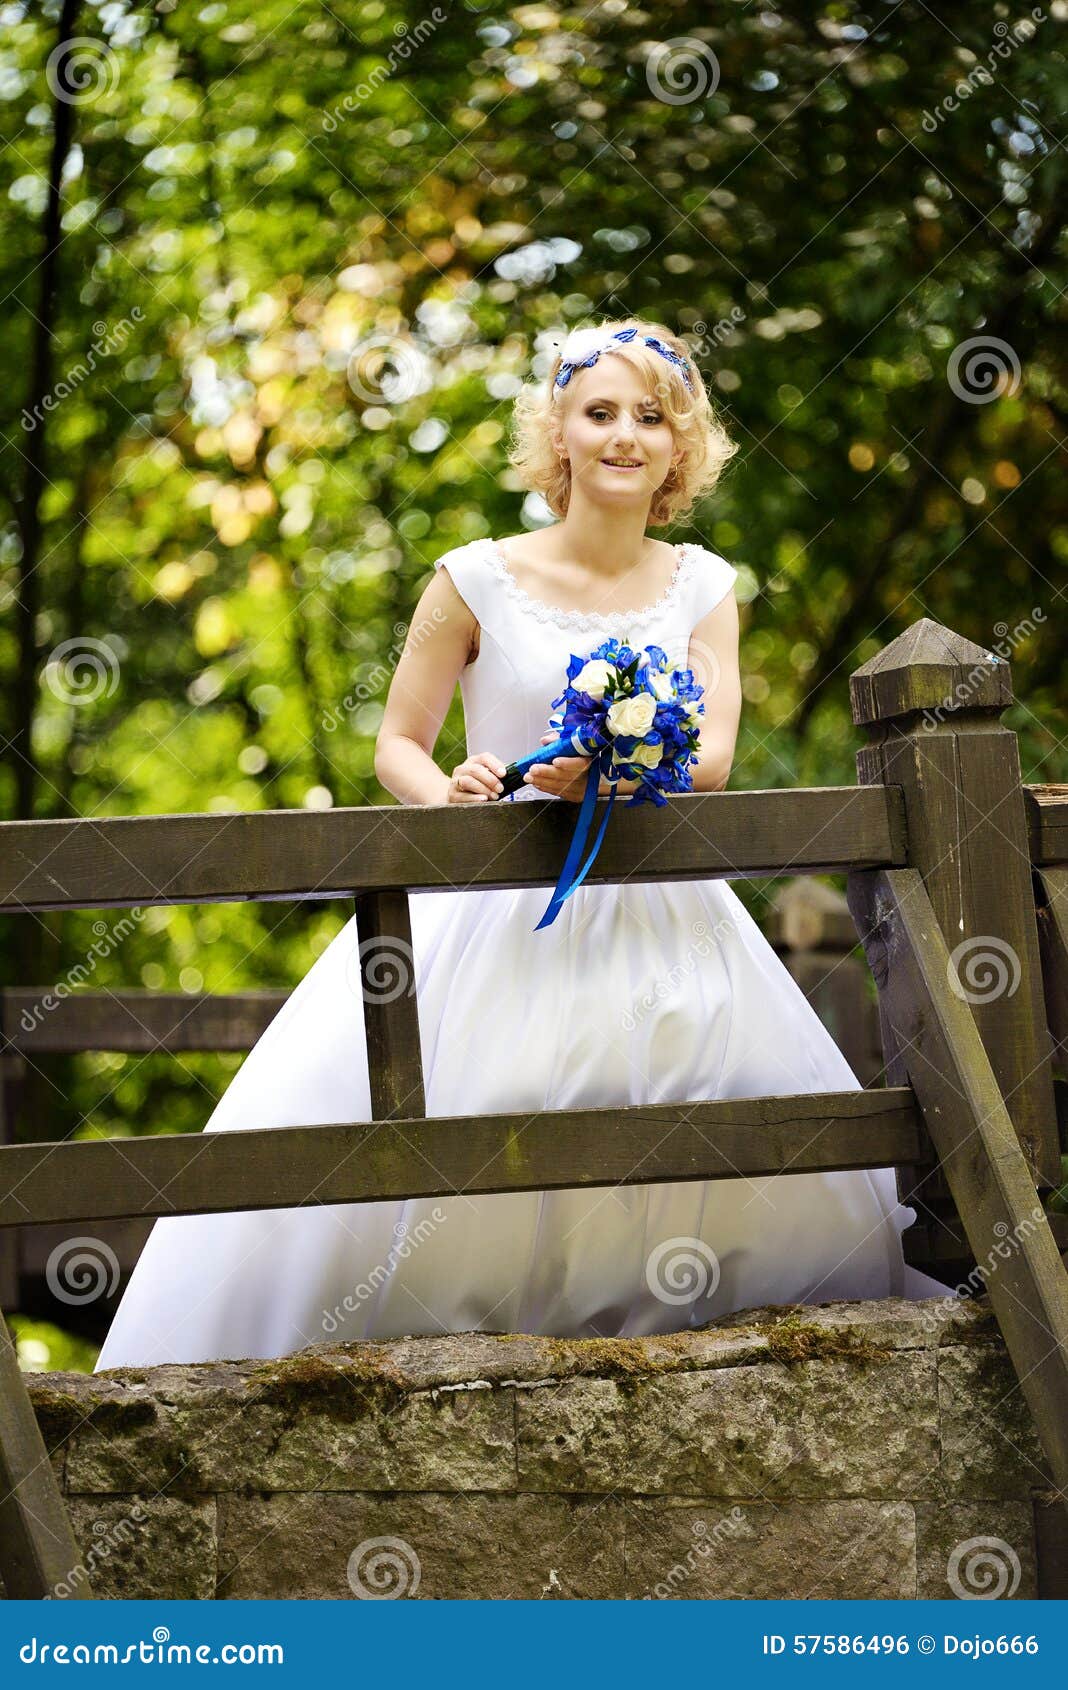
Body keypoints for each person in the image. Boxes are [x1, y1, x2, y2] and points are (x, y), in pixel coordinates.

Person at [93, 317, 951, 1372]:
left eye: (650, 417)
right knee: (471, 1117)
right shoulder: (474, 577)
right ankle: (460, 1337)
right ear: (559, 436)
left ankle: (668, 1331)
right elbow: (397, 745)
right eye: (599, 414)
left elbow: (715, 758)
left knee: (694, 1107)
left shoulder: (703, 587)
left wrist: (619, 770)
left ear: (680, 446)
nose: (624, 435)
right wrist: (453, 798)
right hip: (497, 895)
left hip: (657, 898)